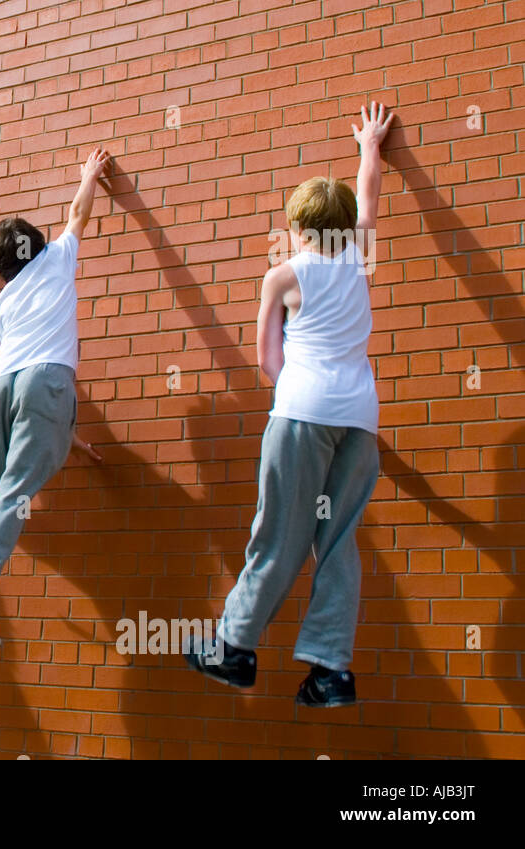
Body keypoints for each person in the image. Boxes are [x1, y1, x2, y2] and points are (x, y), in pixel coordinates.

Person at [183, 102, 394, 707]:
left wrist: (290, 394)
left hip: (302, 412)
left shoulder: (284, 274)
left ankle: (236, 647)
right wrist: (369, 146)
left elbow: (267, 360)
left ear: (298, 226)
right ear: (345, 224)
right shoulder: (360, 259)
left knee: (278, 532)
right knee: (338, 540)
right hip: (359, 421)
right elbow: (371, 193)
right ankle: (331, 671)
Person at [0, 149, 111, 648]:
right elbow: (78, 214)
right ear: (36, 246)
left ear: (1, 268)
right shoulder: (57, 257)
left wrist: (63, 431)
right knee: (13, 494)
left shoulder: (3, 304)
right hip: (41, 383)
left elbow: (23, 388)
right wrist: (90, 175)